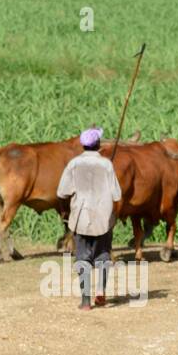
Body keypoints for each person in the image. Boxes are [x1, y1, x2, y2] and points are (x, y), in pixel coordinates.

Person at [56, 127, 122, 310]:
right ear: (99, 145)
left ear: (83, 145)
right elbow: (117, 195)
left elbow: (61, 192)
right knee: (103, 255)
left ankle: (85, 301)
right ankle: (100, 292)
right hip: (103, 220)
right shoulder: (107, 165)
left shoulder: (74, 164)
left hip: (80, 219)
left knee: (83, 258)